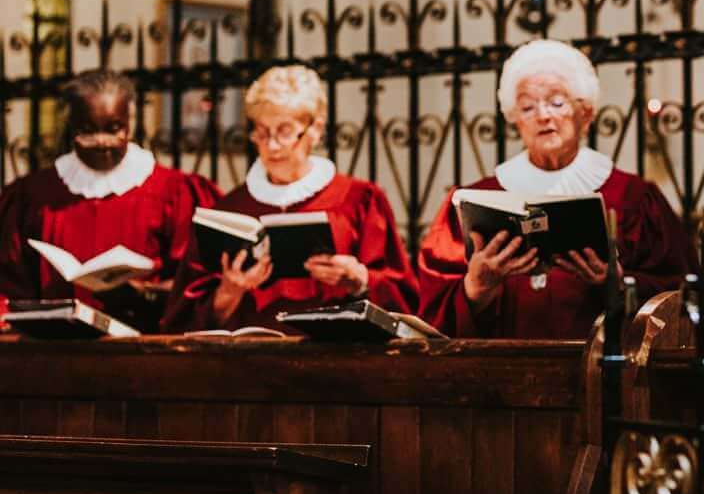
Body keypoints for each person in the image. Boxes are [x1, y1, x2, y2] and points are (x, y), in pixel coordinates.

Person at [419, 39, 696, 338]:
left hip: (602, 371)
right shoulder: (475, 198)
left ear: (586, 114)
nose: (542, 115)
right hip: (501, 372)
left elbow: (679, 296)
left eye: (557, 102)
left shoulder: (633, 198)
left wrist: (617, 283)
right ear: (515, 121)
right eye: (527, 106)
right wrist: (474, 288)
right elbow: (430, 309)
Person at [163, 65, 418, 330]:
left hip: (339, 363)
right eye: (261, 132)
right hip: (248, 363)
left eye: (284, 131)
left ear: (315, 130)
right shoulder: (230, 210)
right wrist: (229, 291)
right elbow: (181, 322)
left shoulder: (360, 201)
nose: (271, 146)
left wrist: (359, 279)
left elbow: (406, 305)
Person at [0, 69, 222, 331]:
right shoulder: (33, 196)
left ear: (129, 123)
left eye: (114, 129)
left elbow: (197, 282)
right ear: (72, 129)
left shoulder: (175, 192)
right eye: (88, 131)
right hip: (55, 353)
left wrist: (145, 292)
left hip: (146, 350)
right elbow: (9, 282)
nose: (102, 142)